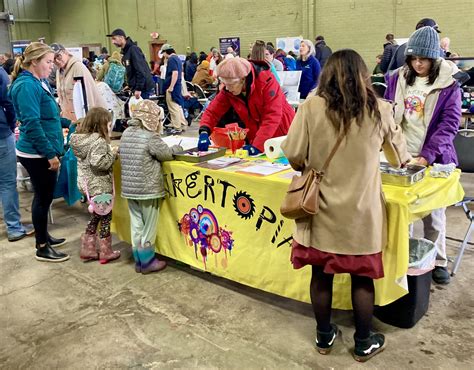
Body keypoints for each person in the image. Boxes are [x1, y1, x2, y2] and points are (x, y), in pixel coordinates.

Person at [282, 49, 411, 362]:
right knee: (362, 280)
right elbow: (398, 157)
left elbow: (294, 154)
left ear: (326, 74)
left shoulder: (310, 107)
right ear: (364, 75)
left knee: (320, 275)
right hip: (362, 215)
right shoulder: (380, 109)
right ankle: (364, 342)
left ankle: (324, 336)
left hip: (319, 210)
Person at [385, 26, 461, 285]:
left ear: (435, 59)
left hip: (434, 157)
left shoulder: (449, 84)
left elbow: (449, 125)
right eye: (414, 58)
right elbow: (387, 113)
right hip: (401, 156)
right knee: (402, 211)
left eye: (424, 59)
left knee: (434, 214)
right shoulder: (396, 78)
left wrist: (427, 156)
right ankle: (405, 258)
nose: (418, 64)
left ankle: (437, 260)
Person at [9, 42, 69, 262]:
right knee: (43, 199)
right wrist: (50, 155)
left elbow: (48, 115)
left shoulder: (38, 82)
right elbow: (32, 124)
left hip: (43, 149)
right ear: (34, 62)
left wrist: (68, 122)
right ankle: (41, 246)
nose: (51, 67)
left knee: (44, 198)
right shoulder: (26, 86)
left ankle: (44, 236)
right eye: (48, 62)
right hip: (37, 153)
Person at [119, 100, 183, 273]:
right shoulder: (150, 137)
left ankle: (138, 260)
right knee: (149, 226)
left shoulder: (126, 133)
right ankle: (148, 261)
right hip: (147, 189)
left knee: (137, 224)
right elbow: (166, 154)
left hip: (129, 189)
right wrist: (177, 147)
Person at [197, 57, 295, 155]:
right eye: (224, 84)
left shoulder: (267, 82)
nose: (227, 88)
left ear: (242, 79)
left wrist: (257, 145)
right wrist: (204, 131)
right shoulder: (229, 91)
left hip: (281, 133)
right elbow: (212, 112)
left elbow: (272, 116)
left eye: (230, 84)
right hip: (259, 136)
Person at [69, 107, 121, 264]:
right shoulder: (98, 141)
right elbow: (99, 163)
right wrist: (113, 154)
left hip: (87, 185)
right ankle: (106, 251)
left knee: (96, 216)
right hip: (99, 186)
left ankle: (88, 247)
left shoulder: (80, 139)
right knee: (105, 218)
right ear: (101, 123)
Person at [0, 66, 35, 242]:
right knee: (7, 184)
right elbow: (7, 102)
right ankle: (13, 227)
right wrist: (12, 124)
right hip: (1, 135)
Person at [51, 43, 106, 121]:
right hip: (70, 120)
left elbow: (88, 97)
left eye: (58, 56)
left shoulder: (78, 67)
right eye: (53, 59)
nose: (56, 60)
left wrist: (88, 122)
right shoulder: (59, 71)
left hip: (83, 119)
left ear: (65, 52)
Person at [107, 28, 155, 99]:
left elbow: (141, 70)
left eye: (114, 38)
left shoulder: (133, 50)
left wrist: (139, 88)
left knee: (142, 110)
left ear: (122, 37)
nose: (113, 42)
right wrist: (130, 86)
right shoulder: (125, 53)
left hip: (143, 89)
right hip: (136, 88)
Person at [161, 43, 187, 135]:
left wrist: (171, 87)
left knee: (173, 107)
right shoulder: (178, 59)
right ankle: (182, 124)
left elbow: (175, 73)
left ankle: (177, 127)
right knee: (177, 105)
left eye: (163, 53)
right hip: (178, 86)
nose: (163, 56)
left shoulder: (171, 59)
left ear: (165, 52)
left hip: (172, 87)